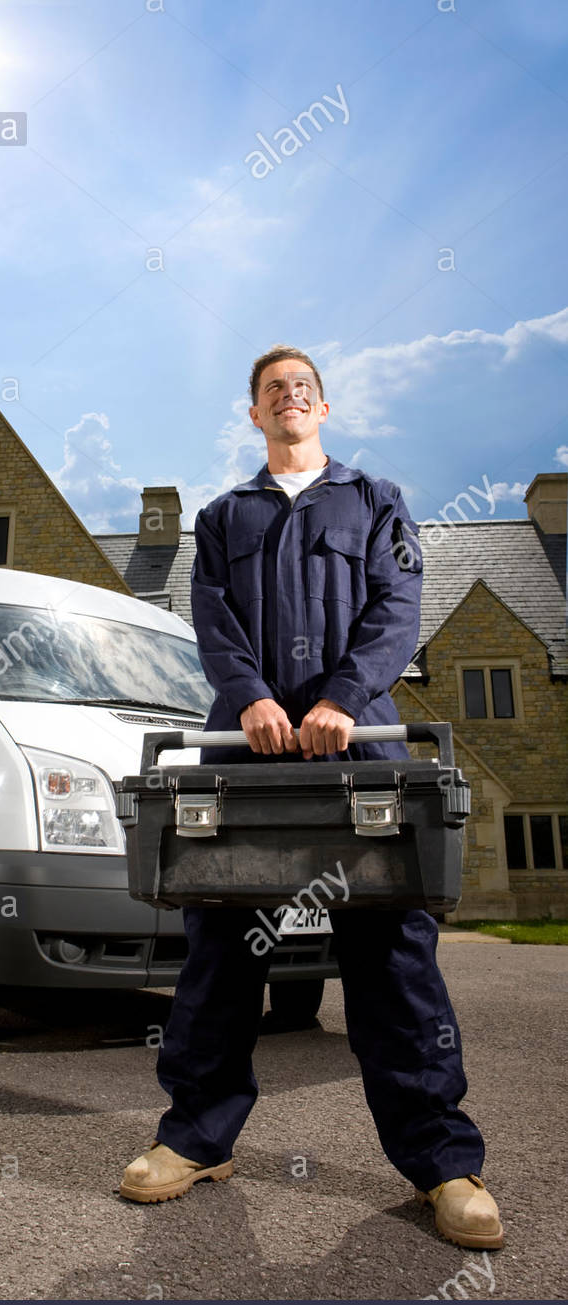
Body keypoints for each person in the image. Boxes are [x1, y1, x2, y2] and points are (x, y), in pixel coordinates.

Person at [118, 345, 504, 1250]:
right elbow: (212, 619)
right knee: (221, 942)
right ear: (254, 415)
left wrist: (340, 699)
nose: (288, 398)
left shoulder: (375, 502)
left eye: (302, 388)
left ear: (321, 409)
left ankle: (443, 1161)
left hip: (359, 739)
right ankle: (195, 1138)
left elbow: (397, 604)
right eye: (270, 390)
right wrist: (252, 697)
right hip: (243, 744)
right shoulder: (222, 517)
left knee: (392, 954)